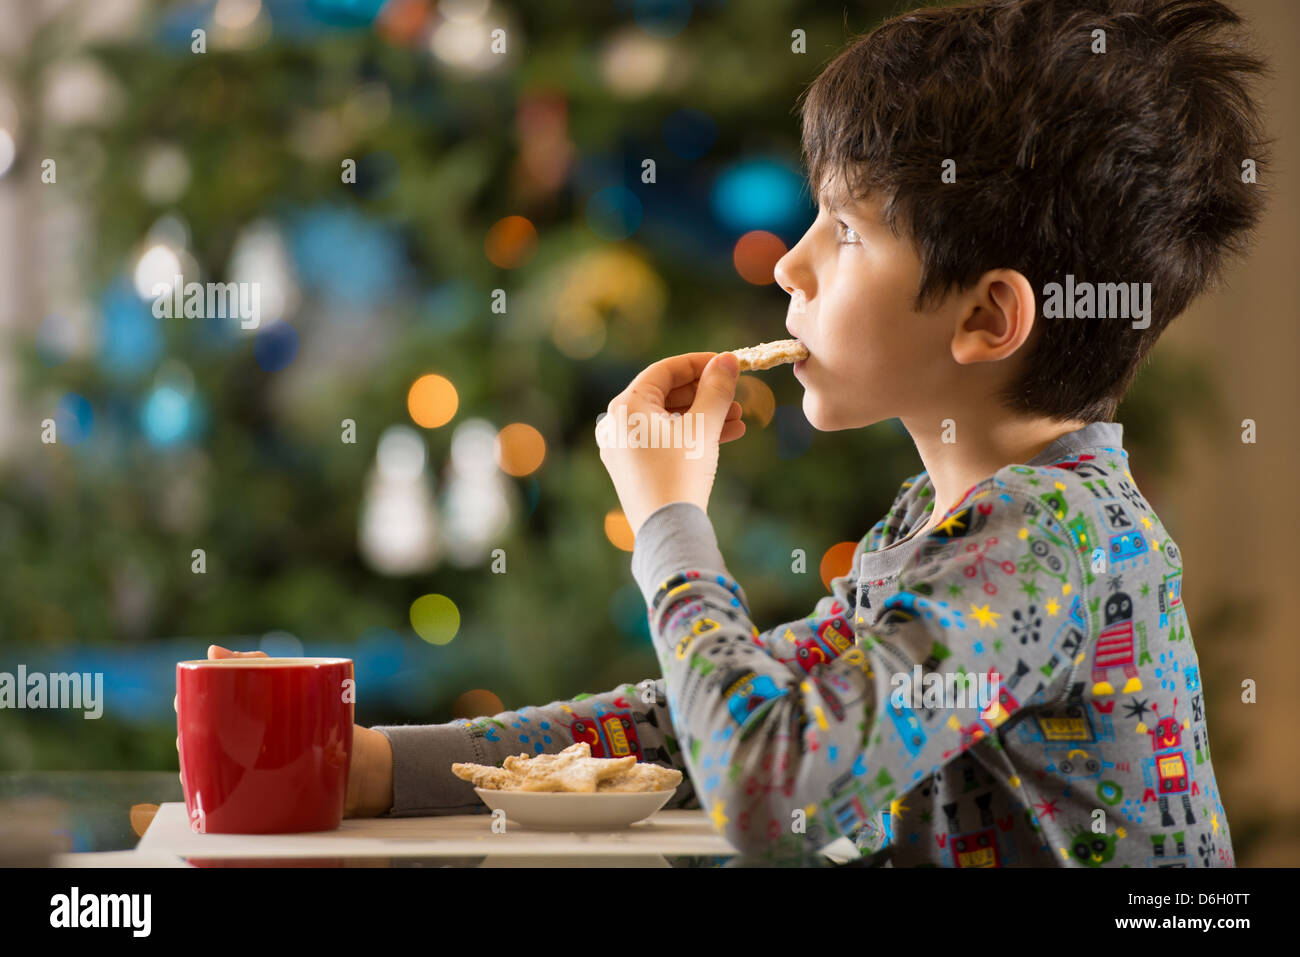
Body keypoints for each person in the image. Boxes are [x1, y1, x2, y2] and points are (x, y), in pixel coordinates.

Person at [215, 0, 1266, 865]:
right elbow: (695, 719)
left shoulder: (1043, 544)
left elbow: (770, 786)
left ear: (986, 318)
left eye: (845, 232)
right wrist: (383, 765)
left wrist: (670, 522)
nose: (786, 264)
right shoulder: (947, 520)